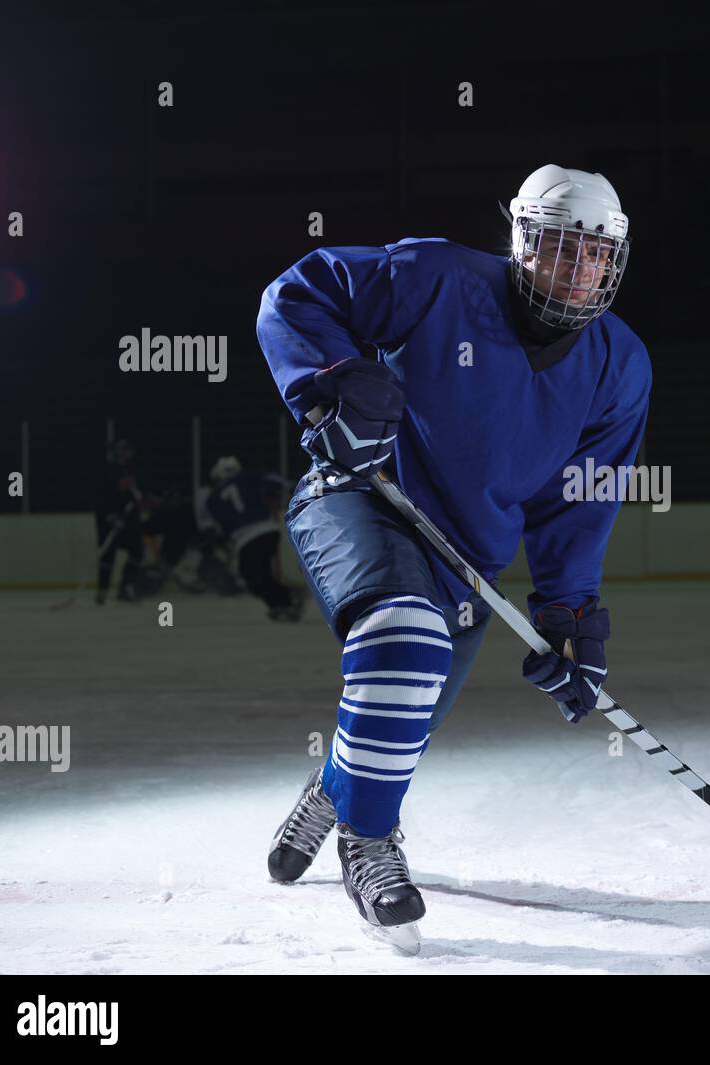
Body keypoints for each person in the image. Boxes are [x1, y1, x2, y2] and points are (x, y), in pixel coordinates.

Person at [255, 164, 650, 937]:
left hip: (465, 558)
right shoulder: (437, 275)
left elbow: (579, 496)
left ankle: (336, 786)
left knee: (399, 722)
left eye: (596, 253)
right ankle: (369, 842)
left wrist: (569, 610)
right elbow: (296, 294)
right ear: (522, 242)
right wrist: (336, 384)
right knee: (403, 645)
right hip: (361, 495)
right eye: (561, 248)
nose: (580, 269)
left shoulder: (619, 365)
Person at [200, 457, 301, 621]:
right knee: (258, 574)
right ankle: (282, 602)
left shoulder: (212, 498)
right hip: (267, 529)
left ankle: (285, 601)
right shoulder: (249, 476)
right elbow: (275, 483)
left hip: (246, 537)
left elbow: (218, 527)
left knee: (254, 576)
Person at [93, 438, 145, 604]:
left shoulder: (131, 471)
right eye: (124, 450)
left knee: (137, 550)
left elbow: (136, 495)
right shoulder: (106, 471)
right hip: (109, 521)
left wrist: (140, 501)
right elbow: (100, 496)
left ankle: (126, 587)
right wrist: (110, 516)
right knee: (108, 555)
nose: (128, 454)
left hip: (128, 520)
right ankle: (102, 591)